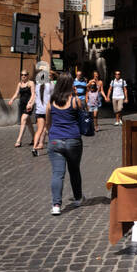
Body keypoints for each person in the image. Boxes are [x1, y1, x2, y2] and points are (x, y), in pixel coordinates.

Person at [45, 72, 86, 215]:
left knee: (57, 173)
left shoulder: (51, 101)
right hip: (73, 140)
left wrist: (51, 135)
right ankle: (78, 198)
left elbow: (47, 123)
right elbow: (83, 117)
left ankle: (56, 205)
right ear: (70, 85)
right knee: (74, 170)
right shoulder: (75, 100)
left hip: (55, 140)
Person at [8, 71, 35, 148]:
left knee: (23, 119)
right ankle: (34, 138)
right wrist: (12, 100)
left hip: (28, 104)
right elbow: (16, 93)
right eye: (22, 75)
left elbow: (33, 94)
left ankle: (19, 140)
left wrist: (30, 103)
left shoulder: (31, 83)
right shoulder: (19, 84)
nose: (23, 76)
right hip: (22, 105)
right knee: (28, 122)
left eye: (25, 75)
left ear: (28, 75)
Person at [31, 73, 53, 156]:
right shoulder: (50, 85)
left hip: (39, 111)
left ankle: (34, 147)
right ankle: (52, 147)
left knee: (39, 130)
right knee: (49, 129)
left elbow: (35, 97)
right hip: (47, 111)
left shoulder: (37, 86)